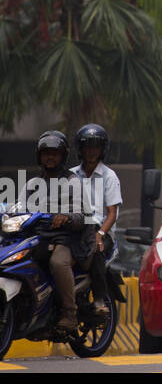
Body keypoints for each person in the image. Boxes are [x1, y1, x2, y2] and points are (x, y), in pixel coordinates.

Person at [24, 131, 93, 333]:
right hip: (41, 237)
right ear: (39, 156)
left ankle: (69, 313)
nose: (50, 157)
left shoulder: (72, 182)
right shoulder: (31, 185)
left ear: (63, 156)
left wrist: (67, 218)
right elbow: (18, 208)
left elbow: (83, 215)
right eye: (46, 153)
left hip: (70, 239)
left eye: (55, 153)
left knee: (58, 263)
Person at [71, 123, 121, 317]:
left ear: (102, 150)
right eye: (87, 146)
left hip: (101, 230)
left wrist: (100, 235)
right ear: (81, 149)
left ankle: (99, 299)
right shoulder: (71, 175)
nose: (91, 151)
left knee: (96, 248)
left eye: (95, 147)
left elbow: (112, 214)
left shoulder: (109, 176)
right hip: (75, 228)